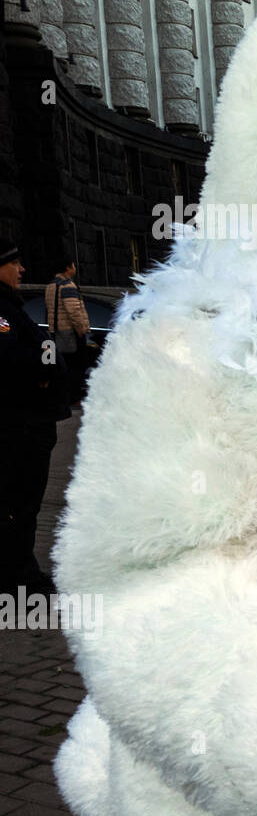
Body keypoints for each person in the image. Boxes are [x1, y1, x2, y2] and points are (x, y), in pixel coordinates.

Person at [1, 242, 71, 591]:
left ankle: (18, 573)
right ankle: (19, 580)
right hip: (20, 424)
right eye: (14, 263)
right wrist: (43, 370)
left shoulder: (11, 307)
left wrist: (47, 356)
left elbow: (43, 347)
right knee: (20, 503)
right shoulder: (1, 313)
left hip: (29, 422)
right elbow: (15, 361)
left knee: (22, 502)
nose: (21, 269)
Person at [44, 258, 92, 403]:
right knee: (76, 367)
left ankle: (63, 395)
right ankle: (74, 397)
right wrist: (81, 330)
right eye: (73, 266)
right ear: (67, 268)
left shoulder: (50, 286)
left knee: (60, 365)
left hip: (55, 332)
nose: (75, 269)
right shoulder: (68, 286)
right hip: (70, 334)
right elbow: (74, 311)